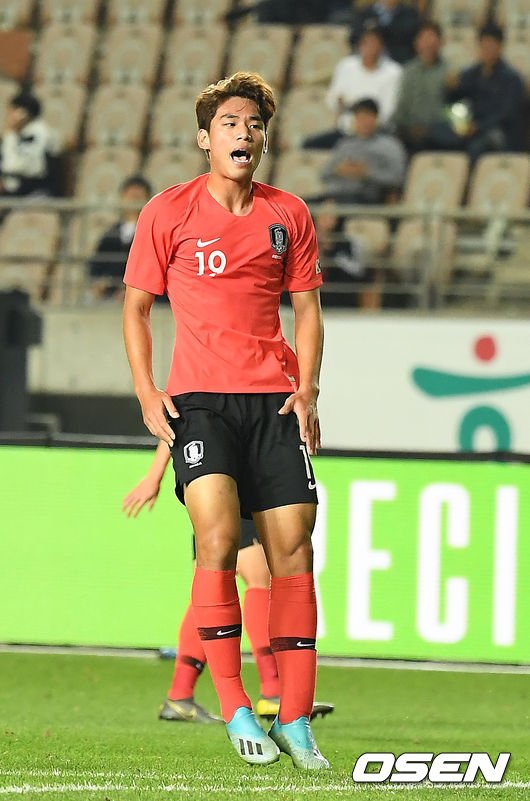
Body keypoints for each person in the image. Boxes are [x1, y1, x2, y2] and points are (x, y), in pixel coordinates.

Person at [122, 72, 327, 769]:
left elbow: (307, 309)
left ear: (264, 140)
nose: (245, 132)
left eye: (254, 124)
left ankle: (295, 719)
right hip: (202, 403)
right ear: (204, 139)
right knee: (216, 539)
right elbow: (136, 307)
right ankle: (235, 706)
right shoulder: (168, 211)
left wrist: (309, 388)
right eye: (231, 123)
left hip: (274, 401)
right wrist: (147, 391)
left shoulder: (288, 214)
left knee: (293, 549)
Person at [122, 440, 334, 725]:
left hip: (220, 470)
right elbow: (175, 416)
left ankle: (180, 694)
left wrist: (155, 475)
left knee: (215, 583)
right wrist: (154, 475)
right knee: (257, 577)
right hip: (229, 470)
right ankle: (272, 690)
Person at [430, 23, 526, 161]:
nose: (487, 50)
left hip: (498, 131)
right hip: (470, 127)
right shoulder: (470, 74)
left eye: (491, 45)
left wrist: (479, 127)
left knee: (478, 146)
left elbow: (507, 114)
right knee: (436, 134)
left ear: (500, 47)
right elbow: (453, 102)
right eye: (483, 45)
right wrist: (450, 90)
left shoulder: (512, 79)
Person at [305, 25, 402, 150]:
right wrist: (339, 103)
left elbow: (387, 112)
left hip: (376, 135)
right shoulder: (346, 66)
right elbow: (332, 99)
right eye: (366, 43)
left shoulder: (394, 72)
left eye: (375, 43)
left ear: (382, 46)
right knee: (309, 145)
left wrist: (363, 119)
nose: (371, 47)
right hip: (345, 132)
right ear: (359, 45)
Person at [319, 98, 407, 205]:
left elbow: (397, 178)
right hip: (336, 195)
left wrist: (367, 173)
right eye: (360, 118)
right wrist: (338, 169)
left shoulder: (390, 146)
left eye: (367, 117)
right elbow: (324, 174)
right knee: (303, 206)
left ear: (376, 118)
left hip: (368, 198)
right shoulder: (345, 145)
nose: (364, 122)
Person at [89, 175, 153, 300]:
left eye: (138, 197)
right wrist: (99, 282)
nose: (133, 201)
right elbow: (96, 264)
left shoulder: (153, 233)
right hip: (110, 297)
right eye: (130, 196)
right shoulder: (110, 234)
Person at [393, 21, 450, 154]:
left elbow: (456, 108)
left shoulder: (450, 71)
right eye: (424, 38)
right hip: (410, 132)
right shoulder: (408, 71)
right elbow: (402, 106)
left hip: (440, 132)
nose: (428, 42)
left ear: (440, 42)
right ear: (416, 43)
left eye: (432, 37)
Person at [0, 90, 62, 197]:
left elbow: (23, 167)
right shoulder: (14, 135)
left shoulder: (38, 134)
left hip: (34, 192)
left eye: (11, 111)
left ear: (22, 113)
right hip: (14, 190)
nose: (8, 116)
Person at [350, 0, 422, 65]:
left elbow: (414, 40)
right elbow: (354, 38)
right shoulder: (364, 13)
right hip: (366, 63)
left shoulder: (410, 14)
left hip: (401, 63)